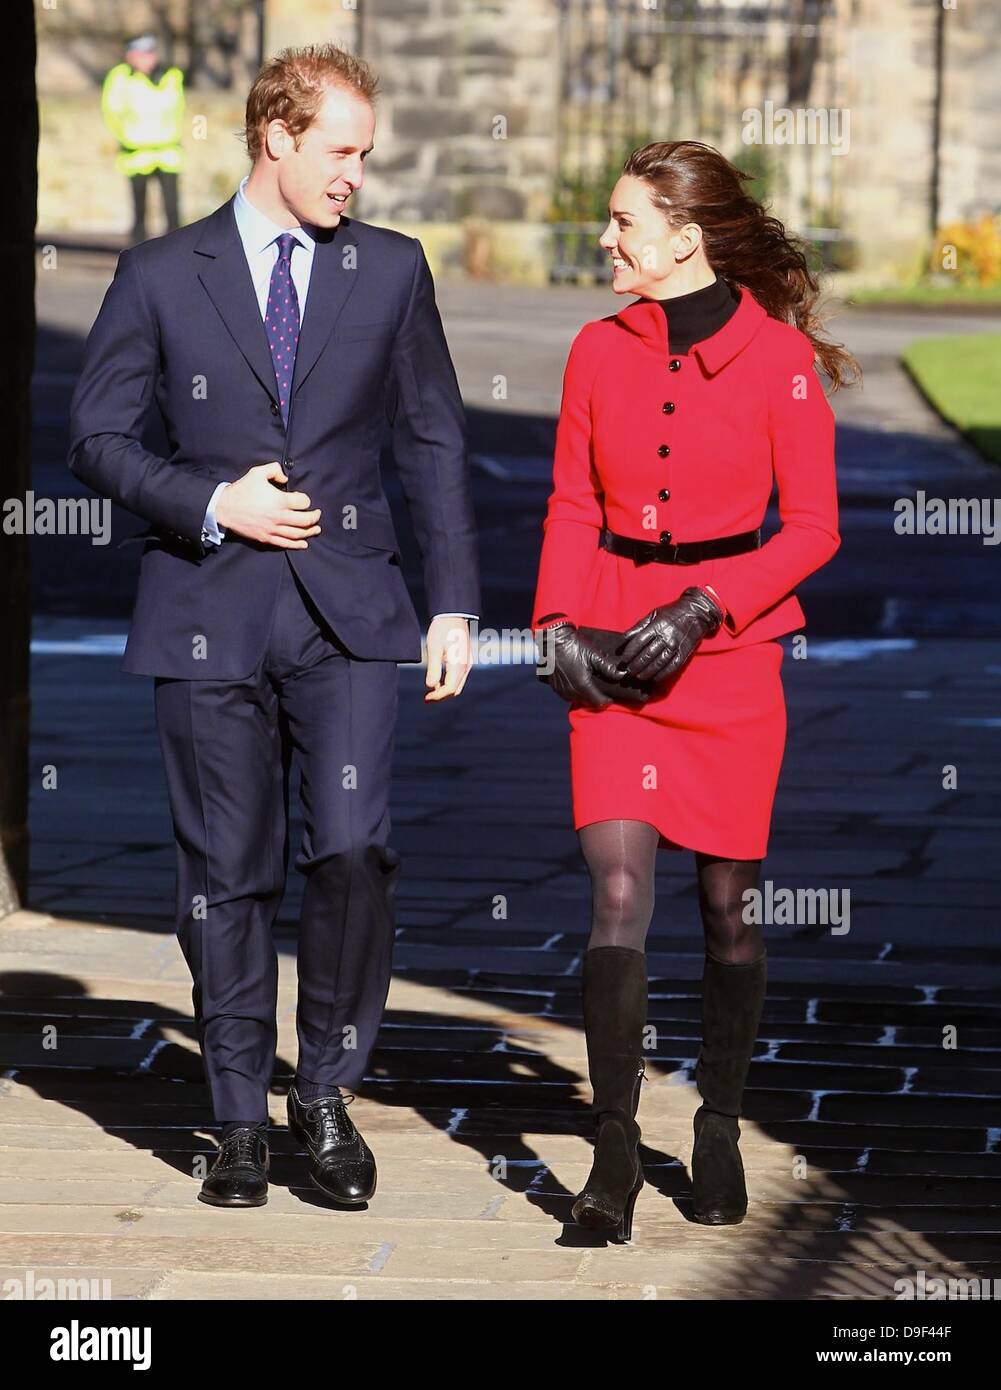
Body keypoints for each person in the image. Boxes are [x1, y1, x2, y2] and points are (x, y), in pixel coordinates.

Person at [70, 44, 480, 1208]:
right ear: (277, 138)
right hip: (206, 611)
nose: (357, 174)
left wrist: (451, 603)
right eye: (341, 152)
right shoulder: (159, 273)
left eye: (363, 153)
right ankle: (239, 1117)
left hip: (350, 613)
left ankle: (326, 1093)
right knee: (225, 870)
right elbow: (96, 437)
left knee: (351, 847)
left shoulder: (392, 271)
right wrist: (211, 503)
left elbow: (433, 440)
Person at [532, 140, 859, 1241]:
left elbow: (812, 528)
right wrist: (551, 624)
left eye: (623, 220)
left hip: (727, 653)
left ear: (684, 235)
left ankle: (717, 1119)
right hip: (614, 650)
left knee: (726, 908)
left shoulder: (777, 363)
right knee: (615, 893)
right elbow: (572, 500)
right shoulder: (591, 350)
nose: (606, 237)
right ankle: (613, 1153)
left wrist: (705, 606)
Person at [101, 34, 185, 243]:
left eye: (150, 53)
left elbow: (178, 109)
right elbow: (111, 111)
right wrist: (125, 135)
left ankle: (176, 253)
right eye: (142, 54)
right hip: (136, 153)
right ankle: (138, 254)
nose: (148, 58)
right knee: (140, 211)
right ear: (130, 56)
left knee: (172, 211)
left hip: (168, 153)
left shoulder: (170, 75)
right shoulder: (120, 77)